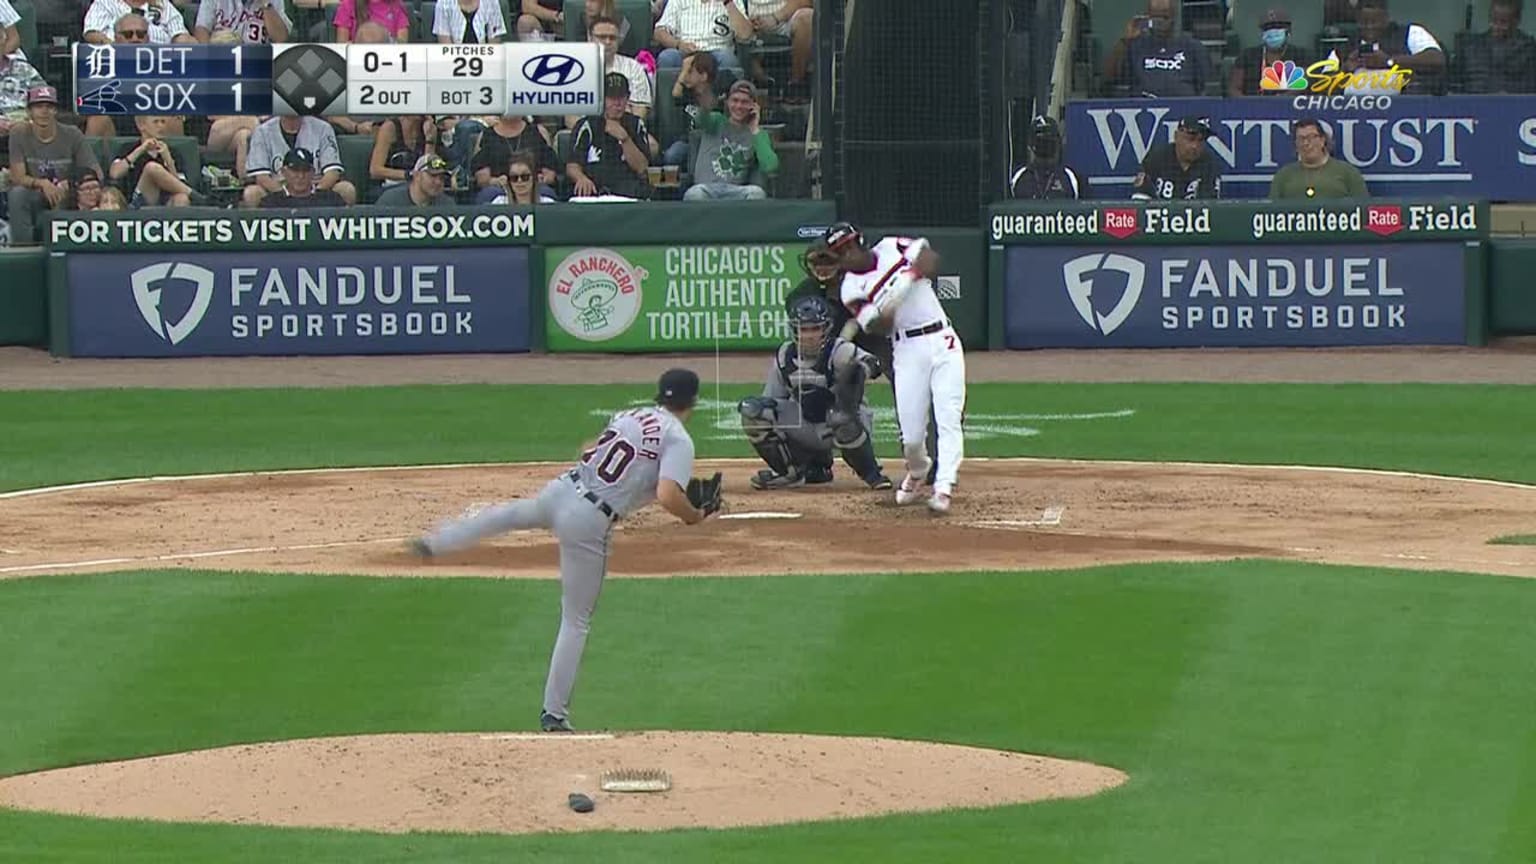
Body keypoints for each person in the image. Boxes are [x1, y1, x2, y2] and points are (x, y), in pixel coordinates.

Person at [409, 368, 719, 733]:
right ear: (693, 402)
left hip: (562, 489)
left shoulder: (631, 414)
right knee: (576, 620)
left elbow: (588, 449)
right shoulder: (679, 438)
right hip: (588, 521)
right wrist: (694, 515)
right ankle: (554, 714)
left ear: (660, 396)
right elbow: (669, 495)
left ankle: (436, 541)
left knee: (509, 514)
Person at [831, 223, 965, 514]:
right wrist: (891, 303)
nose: (848, 254)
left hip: (943, 340)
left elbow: (930, 258)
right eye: (841, 252)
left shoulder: (891, 246)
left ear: (860, 242)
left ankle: (944, 487)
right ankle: (918, 470)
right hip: (906, 350)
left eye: (850, 246)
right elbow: (879, 326)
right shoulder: (850, 289)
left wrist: (911, 275)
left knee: (948, 416)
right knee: (912, 438)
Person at [785, 237, 936, 488]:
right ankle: (816, 462)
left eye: (829, 260)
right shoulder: (800, 295)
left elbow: (880, 317)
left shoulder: (858, 284)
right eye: (816, 262)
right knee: (811, 386)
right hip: (833, 347)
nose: (823, 268)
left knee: (912, 389)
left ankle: (930, 459)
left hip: (876, 338)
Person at [737, 294, 891, 491]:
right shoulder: (784, 355)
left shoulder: (840, 350)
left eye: (815, 329)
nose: (809, 335)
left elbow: (875, 363)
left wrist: (859, 370)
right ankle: (791, 472)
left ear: (825, 329)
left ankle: (872, 474)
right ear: (795, 330)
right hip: (805, 423)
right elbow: (772, 401)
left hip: (846, 420)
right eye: (804, 329)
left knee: (841, 419)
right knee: (754, 413)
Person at [8, 86, 101, 245]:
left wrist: (71, 184)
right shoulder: (19, 133)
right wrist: (42, 184)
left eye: (49, 107)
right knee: (17, 194)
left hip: (67, 193)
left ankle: (65, 247)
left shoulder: (72, 134)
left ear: (55, 111)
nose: (44, 111)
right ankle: (23, 251)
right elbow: (18, 177)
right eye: (38, 106)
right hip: (34, 193)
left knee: (71, 195)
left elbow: (95, 172)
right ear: (29, 112)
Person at [567, 72, 658, 200]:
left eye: (621, 97)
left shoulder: (636, 124)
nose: (618, 104)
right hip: (593, 192)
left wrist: (625, 139)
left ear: (628, 98)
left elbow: (642, 168)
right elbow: (572, 165)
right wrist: (581, 178)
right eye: (612, 98)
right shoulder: (586, 125)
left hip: (628, 193)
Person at [682, 79, 777, 200]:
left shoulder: (759, 134)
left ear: (754, 106)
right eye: (735, 100)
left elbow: (770, 166)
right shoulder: (717, 120)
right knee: (695, 194)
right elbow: (701, 118)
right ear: (727, 102)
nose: (739, 106)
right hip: (706, 189)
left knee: (757, 193)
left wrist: (754, 128)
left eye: (745, 102)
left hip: (736, 192)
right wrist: (705, 103)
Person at [243, 114, 357, 207]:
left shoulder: (323, 128)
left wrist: (312, 195)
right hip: (278, 193)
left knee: (346, 189)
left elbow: (332, 172)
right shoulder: (262, 131)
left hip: (317, 190)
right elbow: (262, 177)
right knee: (252, 193)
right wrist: (287, 196)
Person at [1101, 0, 1209, 96]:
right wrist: (1125, 41)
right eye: (1155, 18)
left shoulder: (1192, 46)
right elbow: (1108, 77)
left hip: (1185, 109)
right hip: (1144, 108)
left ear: (1173, 17)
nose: (1160, 23)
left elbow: (1207, 86)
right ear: (1148, 17)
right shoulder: (1136, 46)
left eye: (1165, 18)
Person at [1344, 0, 1444, 95]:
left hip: (1404, 105)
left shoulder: (1410, 32)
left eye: (1374, 22)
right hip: (1352, 108)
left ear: (1386, 18)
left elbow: (1436, 59)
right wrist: (1346, 68)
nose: (1369, 27)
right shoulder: (1347, 44)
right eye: (1364, 23)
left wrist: (1389, 61)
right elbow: (1328, 78)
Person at [108, 114, 200, 207]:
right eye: (156, 122)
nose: (161, 126)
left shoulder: (173, 152)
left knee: (182, 198)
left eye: (163, 122)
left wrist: (168, 160)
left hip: (165, 203)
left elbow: (179, 186)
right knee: (151, 168)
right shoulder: (128, 148)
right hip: (137, 204)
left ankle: (192, 197)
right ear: (142, 125)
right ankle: (197, 197)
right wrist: (141, 150)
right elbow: (115, 173)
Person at [1269, 118, 1369, 199]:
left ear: (1322, 140)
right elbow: (1270, 213)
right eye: (1301, 139)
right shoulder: (1284, 175)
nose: (1306, 143)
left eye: (1311, 137)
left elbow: (1363, 209)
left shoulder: (1348, 172)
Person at [1451, 0, 1536, 93]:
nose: (1496, 26)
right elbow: (1455, 86)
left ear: (1516, 21)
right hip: (1473, 105)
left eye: (1503, 22)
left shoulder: (1529, 51)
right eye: (1493, 20)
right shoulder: (1470, 48)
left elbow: (1530, 89)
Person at [1131, 115, 1221, 200]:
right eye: (1191, 139)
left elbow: (1209, 207)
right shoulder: (1156, 158)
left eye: (1200, 140)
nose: (1195, 146)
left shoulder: (1209, 164)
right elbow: (1140, 200)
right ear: (1176, 136)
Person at [1228, 7, 1314, 96]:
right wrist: (1248, 104)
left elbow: (1303, 86)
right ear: (1262, 33)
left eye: (1278, 27)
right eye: (1267, 28)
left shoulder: (1301, 54)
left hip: (1288, 106)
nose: (1272, 32)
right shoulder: (1247, 55)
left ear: (1289, 31)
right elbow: (1234, 88)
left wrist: (1278, 101)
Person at [653, 0, 751, 72]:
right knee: (667, 58)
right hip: (686, 51)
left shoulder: (733, 1)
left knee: (728, 60)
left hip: (718, 52)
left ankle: (723, 99)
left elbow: (745, 35)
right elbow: (659, 32)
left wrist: (728, 3)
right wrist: (678, 44)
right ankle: (672, 99)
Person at [1009, 115, 1083, 199]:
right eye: (1040, 143)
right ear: (1031, 146)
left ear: (1058, 144)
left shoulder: (1069, 177)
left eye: (1049, 142)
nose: (1045, 147)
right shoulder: (1019, 178)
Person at [260, 148, 350, 207]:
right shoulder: (271, 203)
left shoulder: (331, 200)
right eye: (295, 170)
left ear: (313, 172)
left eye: (305, 170)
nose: (301, 176)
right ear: (284, 172)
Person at [374, 153, 456, 206]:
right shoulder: (390, 201)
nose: (438, 182)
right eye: (432, 176)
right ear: (417, 175)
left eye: (442, 178)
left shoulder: (447, 205)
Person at [194, 0, 291, 43]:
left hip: (259, 62)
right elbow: (202, 28)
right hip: (222, 58)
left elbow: (280, 38)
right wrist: (211, 55)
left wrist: (265, 3)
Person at [476, 152, 556, 203]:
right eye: (514, 178)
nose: (519, 181)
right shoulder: (498, 204)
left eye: (525, 177)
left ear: (534, 178)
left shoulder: (548, 204)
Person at [334, 0, 411, 42]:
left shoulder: (396, 5)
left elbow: (402, 43)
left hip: (389, 60)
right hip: (357, 60)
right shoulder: (347, 4)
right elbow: (342, 45)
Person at [434, 0, 508, 43]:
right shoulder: (443, 3)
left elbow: (494, 45)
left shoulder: (492, 2)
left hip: (486, 61)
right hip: (453, 62)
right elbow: (445, 46)